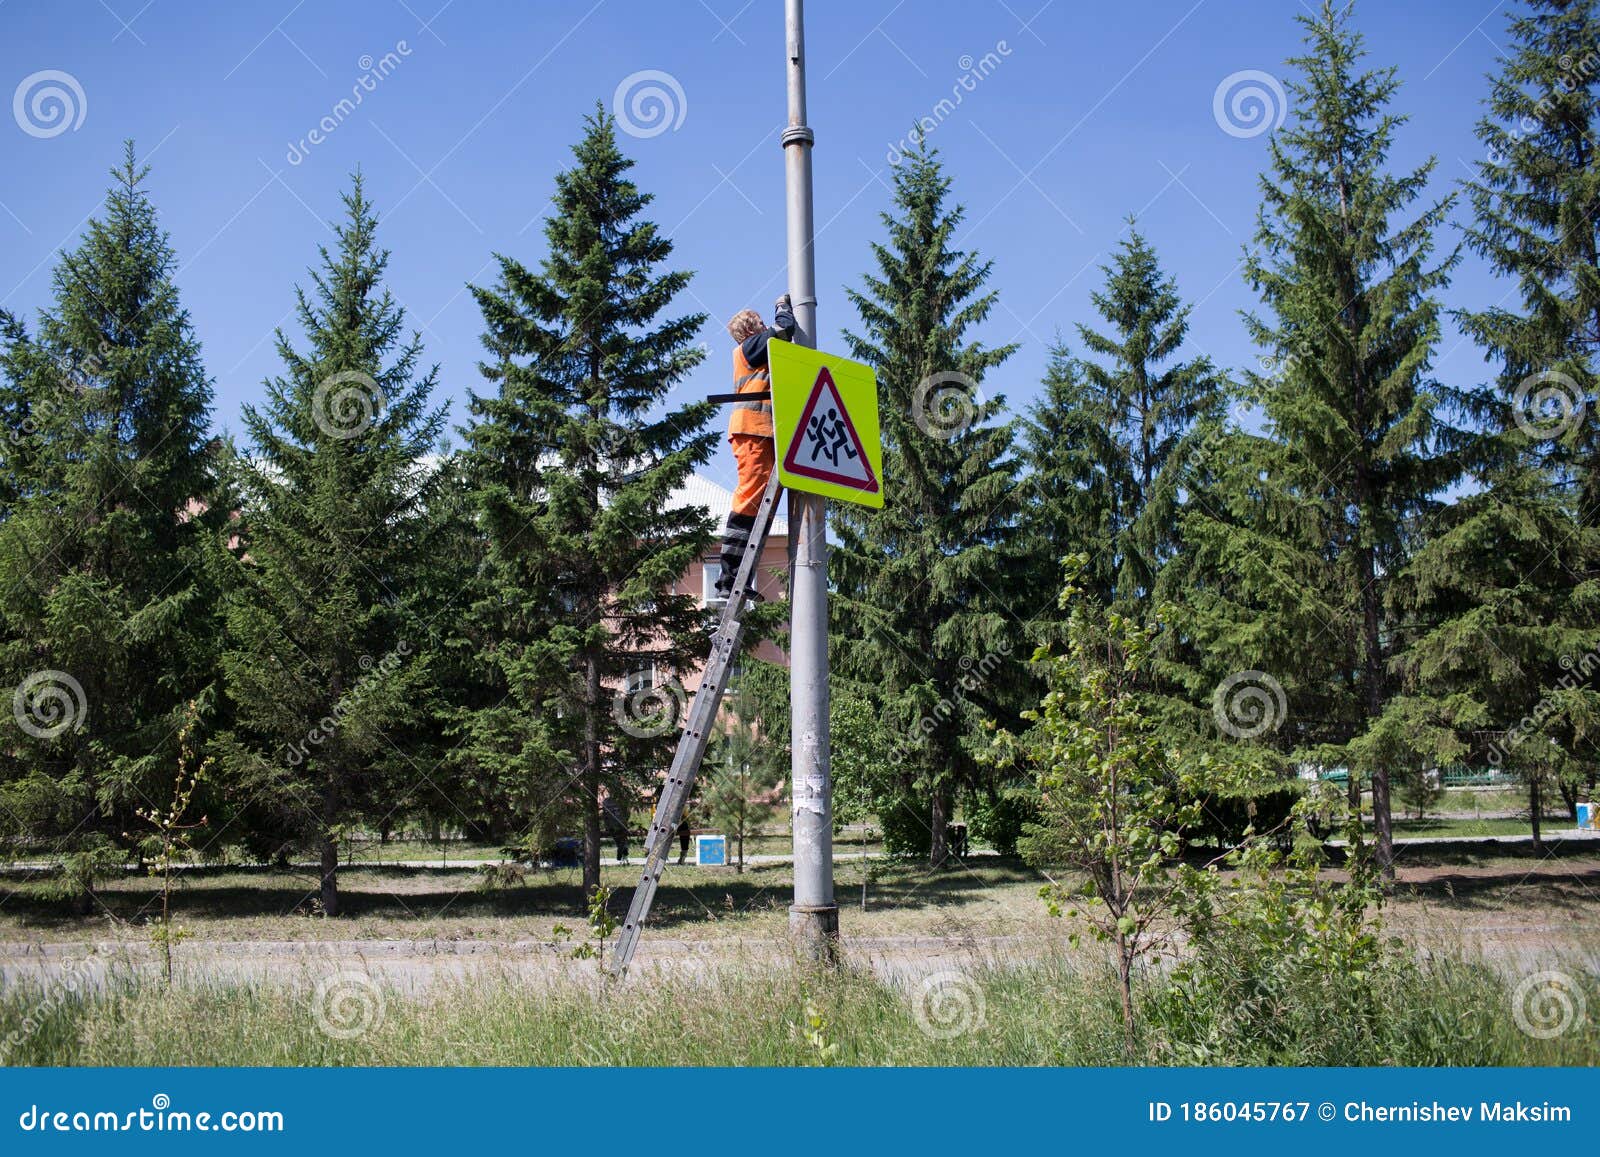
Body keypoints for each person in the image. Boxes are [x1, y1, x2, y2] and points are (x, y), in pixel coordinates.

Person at [715, 294, 795, 599]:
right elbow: (784, 330)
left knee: (760, 503)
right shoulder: (750, 347)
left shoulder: (756, 353)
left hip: (762, 434)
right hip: (753, 432)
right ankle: (728, 579)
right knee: (749, 500)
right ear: (752, 329)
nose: (766, 326)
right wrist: (782, 307)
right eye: (761, 323)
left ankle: (739, 578)